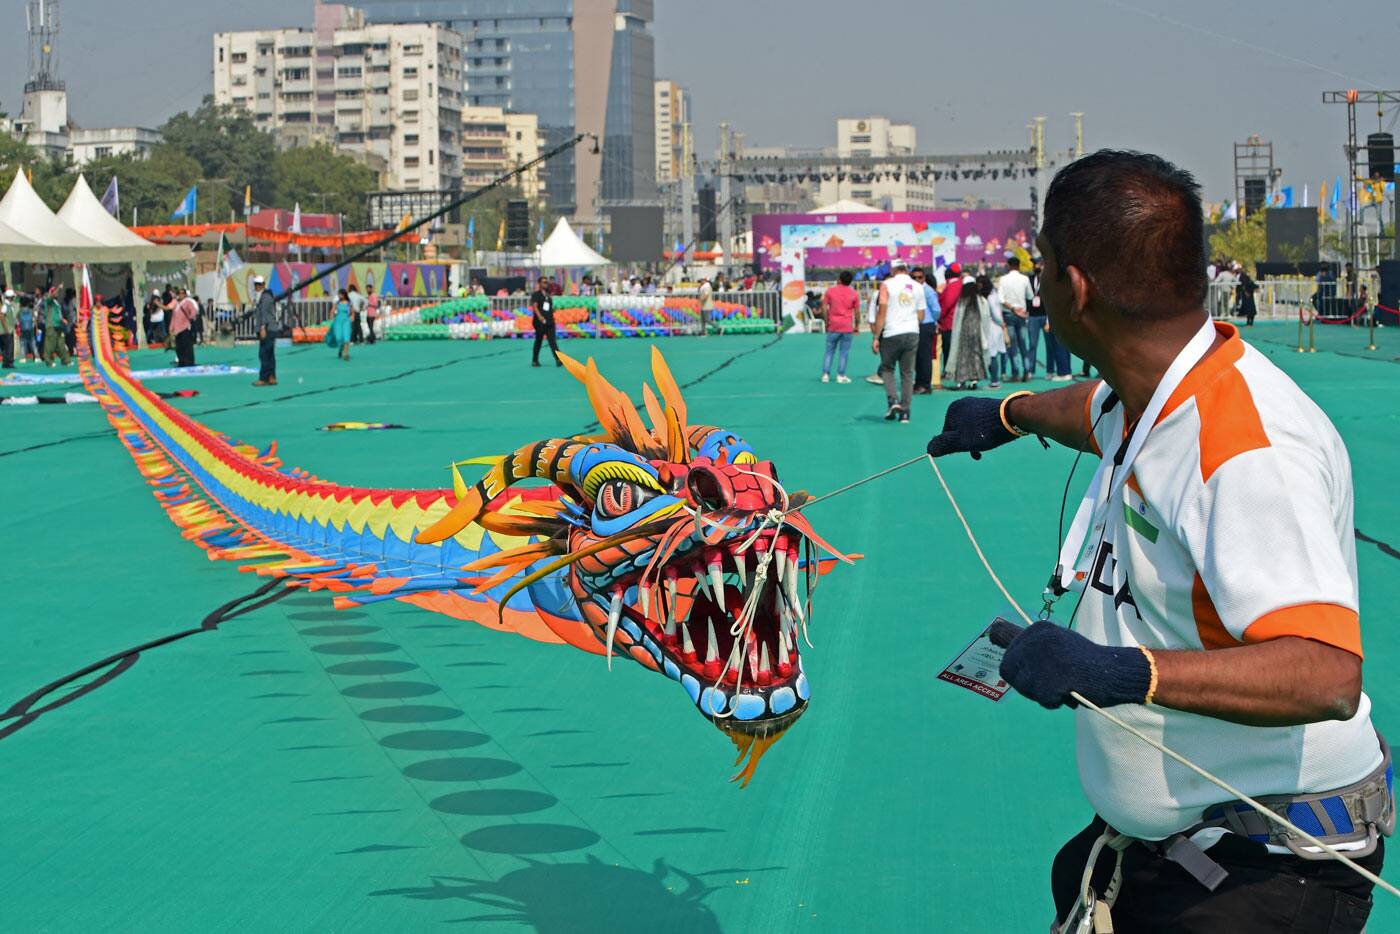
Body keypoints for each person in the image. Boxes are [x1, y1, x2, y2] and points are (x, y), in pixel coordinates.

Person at [926, 150, 1389, 932]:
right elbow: (1096, 411)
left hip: (1260, 877)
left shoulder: (1247, 452)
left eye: (1041, 265)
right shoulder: (1156, 387)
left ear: (1074, 287)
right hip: (1174, 850)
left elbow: (1326, 671)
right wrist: (1011, 415)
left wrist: (1117, 671)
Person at [871, 257, 925, 423]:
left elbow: (882, 312)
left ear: (893, 270)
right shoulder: (918, 286)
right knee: (907, 373)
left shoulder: (887, 285)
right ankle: (906, 411)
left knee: (887, 369)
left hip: (891, 332)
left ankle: (893, 400)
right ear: (906, 269)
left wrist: (876, 336)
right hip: (912, 332)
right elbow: (921, 315)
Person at [944, 275, 988, 389]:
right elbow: (985, 317)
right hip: (977, 333)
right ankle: (974, 379)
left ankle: (961, 380)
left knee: (962, 356)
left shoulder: (962, 300)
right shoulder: (980, 300)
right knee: (976, 356)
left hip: (963, 333)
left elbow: (957, 319)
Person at [998, 256, 1034, 382]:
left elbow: (1001, 299)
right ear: (1019, 266)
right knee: (1023, 344)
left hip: (1009, 314)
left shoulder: (1003, 279)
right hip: (1022, 314)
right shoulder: (1024, 279)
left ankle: (1015, 373)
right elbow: (1030, 295)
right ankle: (1027, 371)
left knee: (1012, 346)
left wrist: (1012, 308)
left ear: (1009, 266)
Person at [819, 271, 859, 383]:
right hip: (847, 326)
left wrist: (827, 322)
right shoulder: (854, 293)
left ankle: (825, 375)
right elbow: (857, 312)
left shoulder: (830, 291)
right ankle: (841, 375)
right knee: (844, 352)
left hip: (833, 325)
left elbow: (824, 308)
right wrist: (857, 325)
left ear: (839, 279)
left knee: (829, 351)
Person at [911, 266, 941, 393]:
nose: (917, 280)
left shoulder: (927, 290)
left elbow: (936, 309)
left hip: (926, 324)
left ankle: (925, 384)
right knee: (918, 356)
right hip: (917, 325)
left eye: (920, 277)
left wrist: (932, 321)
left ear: (924, 278)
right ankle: (919, 383)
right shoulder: (913, 289)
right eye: (914, 277)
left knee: (925, 356)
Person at [980, 275, 1008, 389]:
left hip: (992, 326)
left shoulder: (990, 296)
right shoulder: (994, 293)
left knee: (992, 354)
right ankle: (997, 377)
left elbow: (994, 313)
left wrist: (1001, 323)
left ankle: (994, 381)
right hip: (997, 327)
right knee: (996, 353)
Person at [251, 275, 279, 386]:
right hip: (270, 328)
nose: (257, 286)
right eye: (256, 284)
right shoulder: (263, 296)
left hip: (267, 329)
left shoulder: (265, 297)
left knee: (264, 354)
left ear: (263, 284)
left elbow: (265, 313)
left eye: (259, 284)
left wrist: (263, 327)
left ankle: (263, 378)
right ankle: (272, 376)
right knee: (270, 354)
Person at [937, 262, 964, 363]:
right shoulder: (959, 284)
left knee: (948, 348)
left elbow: (947, 303)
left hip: (950, 322)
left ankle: (949, 369)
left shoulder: (953, 285)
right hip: (954, 321)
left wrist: (939, 317)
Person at [530, 276, 559, 367]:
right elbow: (534, 306)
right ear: (539, 284)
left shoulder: (548, 295)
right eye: (544, 282)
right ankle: (535, 360)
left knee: (552, 341)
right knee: (538, 341)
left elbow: (549, 307)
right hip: (540, 322)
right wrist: (540, 317)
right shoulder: (536, 294)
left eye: (547, 282)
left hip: (550, 322)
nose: (546, 284)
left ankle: (558, 359)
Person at [169, 287, 199, 367]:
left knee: (187, 346)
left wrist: (190, 317)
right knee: (179, 347)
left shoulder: (188, 302)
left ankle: (189, 362)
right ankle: (181, 361)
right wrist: (171, 327)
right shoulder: (177, 304)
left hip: (185, 327)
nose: (180, 295)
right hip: (177, 329)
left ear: (185, 294)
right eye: (179, 293)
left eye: (182, 293)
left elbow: (193, 311)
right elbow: (173, 316)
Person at [40, 288, 70, 367]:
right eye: (54, 291)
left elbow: (58, 314)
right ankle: (49, 362)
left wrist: (63, 320)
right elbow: (51, 296)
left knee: (61, 343)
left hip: (58, 325)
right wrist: (59, 288)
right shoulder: (49, 301)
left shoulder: (56, 303)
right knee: (50, 345)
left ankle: (66, 361)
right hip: (51, 325)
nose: (56, 293)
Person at [324, 289, 352, 361]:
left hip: (346, 321)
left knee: (346, 337)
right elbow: (332, 311)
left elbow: (352, 311)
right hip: (338, 321)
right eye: (339, 294)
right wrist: (331, 316)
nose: (339, 296)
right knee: (339, 338)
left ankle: (346, 354)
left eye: (341, 294)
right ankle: (340, 350)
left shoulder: (349, 303)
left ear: (344, 294)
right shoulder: (337, 303)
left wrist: (352, 317)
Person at [18, 293, 37, 363]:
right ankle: (37, 357)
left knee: (23, 343)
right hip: (30, 327)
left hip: (23, 328)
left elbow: (17, 319)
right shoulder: (31, 310)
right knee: (32, 342)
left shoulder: (20, 311)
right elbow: (34, 319)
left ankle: (23, 357)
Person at [0, 288, 16, 368]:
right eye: (13, 296)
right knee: (9, 346)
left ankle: (6, 362)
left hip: (7, 330)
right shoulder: (5, 306)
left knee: (6, 347)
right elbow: (2, 316)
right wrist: (6, 328)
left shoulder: (8, 305)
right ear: (10, 297)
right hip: (7, 330)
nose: (14, 297)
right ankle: (9, 362)